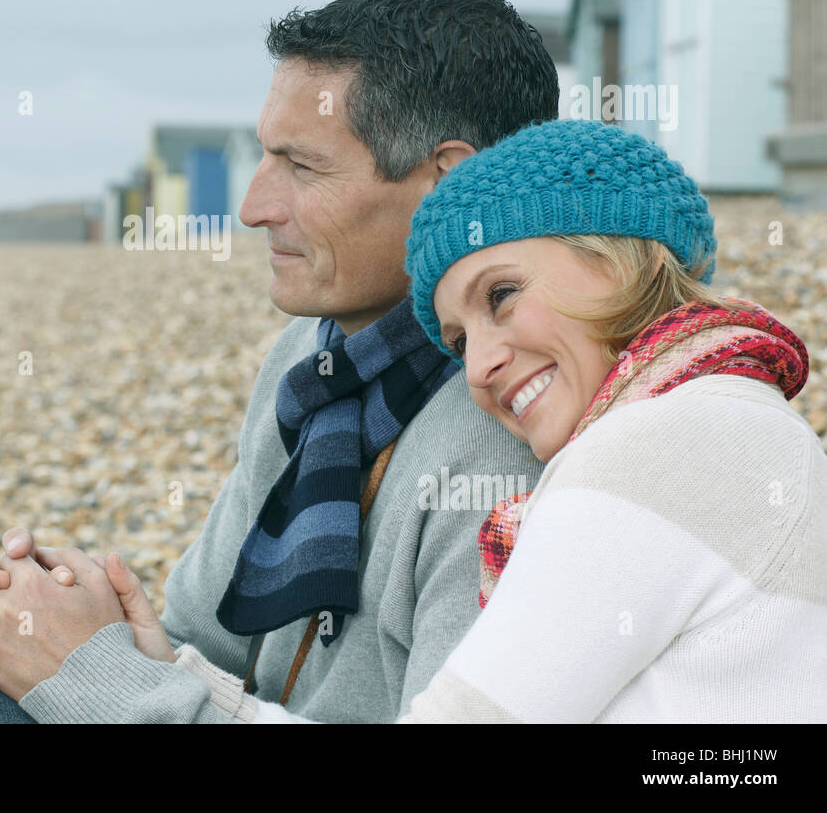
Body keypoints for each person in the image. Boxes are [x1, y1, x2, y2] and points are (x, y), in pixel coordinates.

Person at [0, 0, 557, 724]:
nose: (253, 205)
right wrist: (43, 626)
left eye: (301, 167)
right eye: (263, 155)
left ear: (448, 182)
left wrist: (91, 674)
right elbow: (205, 644)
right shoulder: (314, 362)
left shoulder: (501, 424)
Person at [120, 118, 827, 722]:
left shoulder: (658, 447)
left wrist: (127, 689)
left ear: (618, 256)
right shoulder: (736, 416)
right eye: (458, 341)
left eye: (503, 295)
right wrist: (174, 670)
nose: (480, 367)